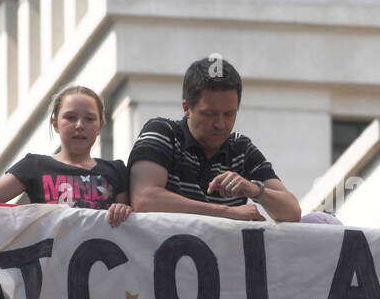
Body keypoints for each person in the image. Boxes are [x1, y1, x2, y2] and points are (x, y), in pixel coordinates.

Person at [0, 85, 131, 227]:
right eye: (70, 117)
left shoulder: (116, 170)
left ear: (100, 126)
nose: (79, 125)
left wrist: (124, 210)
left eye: (89, 119)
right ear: (55, 124)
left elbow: (135, 219)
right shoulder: (35, 165)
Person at [128, 57, 300, 222]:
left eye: (229, 114)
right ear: (186, 108)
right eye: (209, 114)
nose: (220, 124)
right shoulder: (163, 132)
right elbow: (144, 199)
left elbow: (292, 211)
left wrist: (254, 190)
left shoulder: (242, 149)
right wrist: (226, 213)